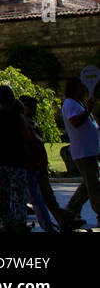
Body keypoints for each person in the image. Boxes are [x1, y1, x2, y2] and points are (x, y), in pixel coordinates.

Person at [20, 94, 70, 232]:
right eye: (29, 105)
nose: (33, 108)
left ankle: (62, 221)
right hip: (30, 166)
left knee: (48, 198)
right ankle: (48, 225)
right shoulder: (22, 122)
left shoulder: (31, 121)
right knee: (36, 198)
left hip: (39, 166)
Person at [0, 84, 30, 229]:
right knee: (19, 192)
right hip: (16, 157)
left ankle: (4, 221)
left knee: (2, 192)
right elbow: (25, 136)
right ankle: (20, 222)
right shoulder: (17, 116)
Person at [61, 76, 100, 227]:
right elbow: (75, 122)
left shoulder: (79, 104)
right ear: (73, 89)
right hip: (83, 151)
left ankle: (71, 211)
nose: (83, 89)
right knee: (94, 186)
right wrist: (88, 110)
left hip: (90, 150)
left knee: (87, 185)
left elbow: (88, 124)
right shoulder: (70, 104)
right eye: (80, 87)